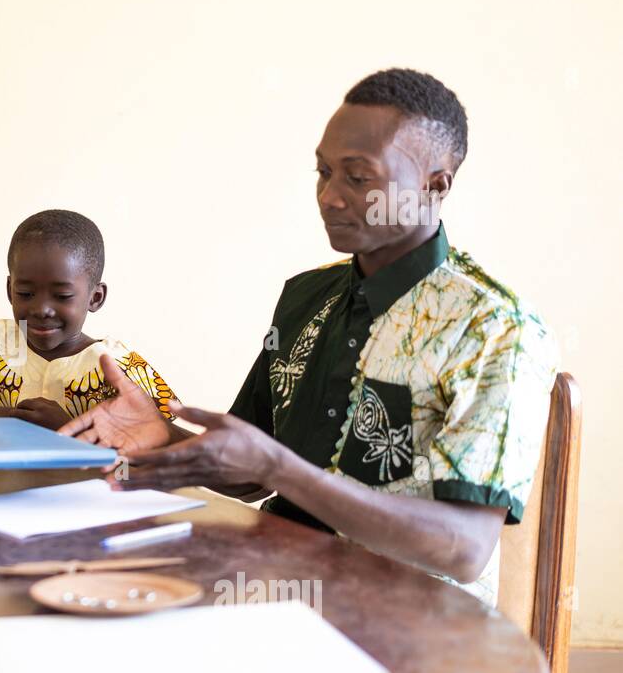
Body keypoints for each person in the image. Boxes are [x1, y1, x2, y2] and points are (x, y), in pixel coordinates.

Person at [61, 69, 558, 604]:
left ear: (435, 185)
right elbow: (251, 475)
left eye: (357, 177)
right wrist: (165, 436)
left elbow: (462, 550)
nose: (329, 196)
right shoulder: (306, 297)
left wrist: (276, 467)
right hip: (276, 585)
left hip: (412, 622)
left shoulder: (496, 330)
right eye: (323, 172)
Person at [0, 209, 179, 430]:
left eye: (62, 296)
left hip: (83, 492)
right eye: (26, 293)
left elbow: (156, 443)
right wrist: (15, 418)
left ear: (95, 298)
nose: (41, 309)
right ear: (9, 291)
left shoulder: (117, 367)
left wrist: (67, 427)